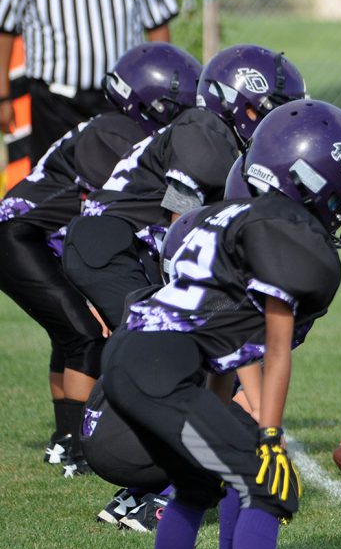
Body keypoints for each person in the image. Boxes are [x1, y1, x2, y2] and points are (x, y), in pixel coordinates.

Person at [101, 98, 341, 549]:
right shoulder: (280, 229)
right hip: (159, 366)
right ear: (308, 178)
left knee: (197, 485)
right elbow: (274, 347)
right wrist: (270, 434)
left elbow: (221, 345)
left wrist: (221, 409)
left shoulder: (222, 215)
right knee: (269, 483)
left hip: (136, 354)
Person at [0, 42, 201, 475]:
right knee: (87, 335)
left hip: (31, 238)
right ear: (153, 103)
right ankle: (76, 446)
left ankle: (63, 440)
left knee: (70, 334)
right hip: (21, 238)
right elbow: (104, 210)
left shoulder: (118, 127)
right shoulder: (116, 133)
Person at [62, 44, 305, 331]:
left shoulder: (219, 138)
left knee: (140, 355)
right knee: (156, 346)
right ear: (234, 100)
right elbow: (182, 222)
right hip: (116, 247)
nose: (274, 123)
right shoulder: (206, 130)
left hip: (122, 247)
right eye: (268, 109)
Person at [0, 0, 179, 163]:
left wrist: (162, 92)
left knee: (122, 180)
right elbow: (4, 27)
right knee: (56, 182)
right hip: (55, 105)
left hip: (121, 102)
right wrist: (3, 96)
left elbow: (157, 24)